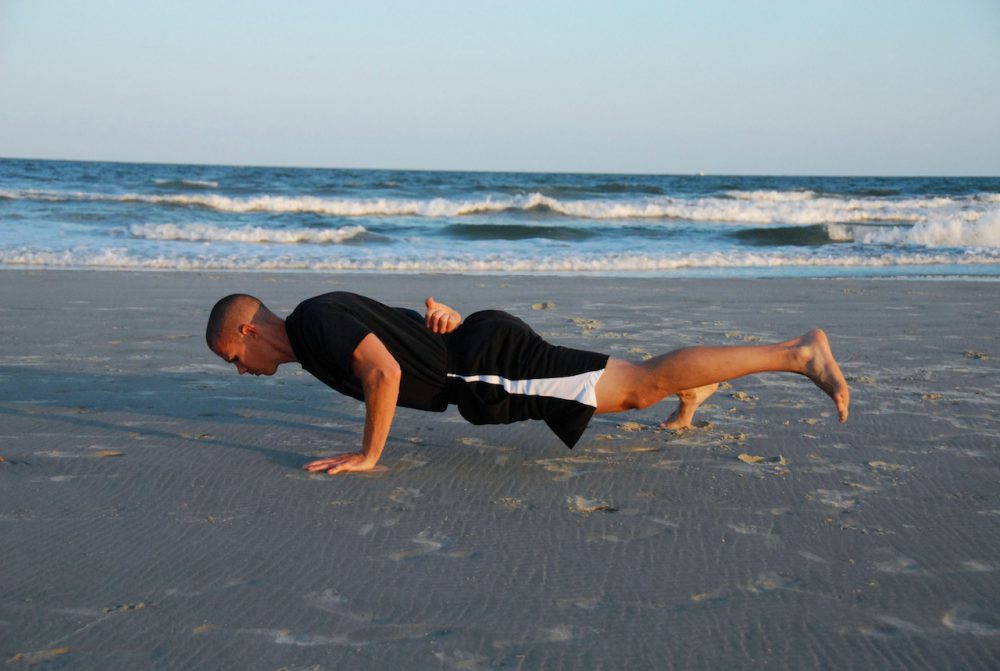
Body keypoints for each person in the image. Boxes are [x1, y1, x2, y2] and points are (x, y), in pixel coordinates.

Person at [206, 291, 849, 475]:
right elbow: (398, 331)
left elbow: (386, 370)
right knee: (627, 387)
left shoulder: (314, 326)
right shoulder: (319, 320)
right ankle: (697, 390)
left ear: (247, 332)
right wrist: (448, 321)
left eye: (231, 357)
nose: (239, 370)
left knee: (638, 387)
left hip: (486, 368)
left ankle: (797, 354)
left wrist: (371, 455)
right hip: (477, 356)